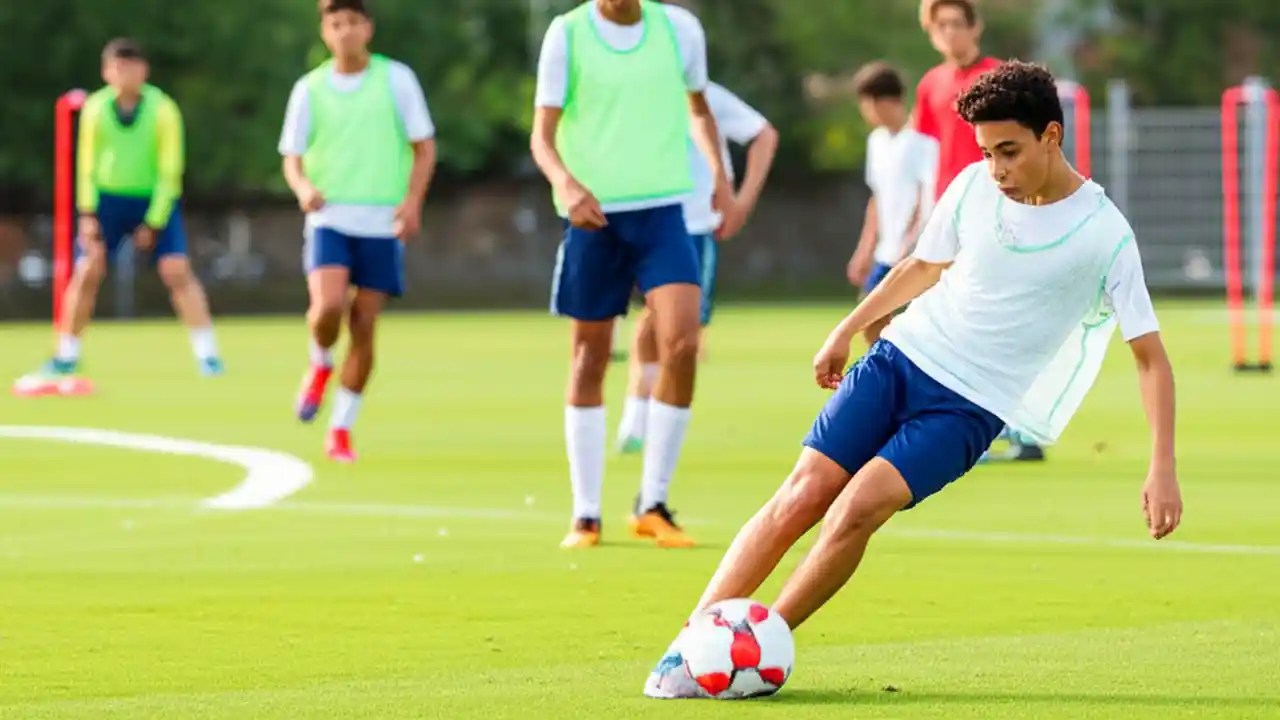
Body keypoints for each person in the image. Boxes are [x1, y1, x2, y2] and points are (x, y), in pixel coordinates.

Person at [644, 61, 1183, 699]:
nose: (996, 170)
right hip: (901, 358)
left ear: (1052, 136)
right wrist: (847, 328)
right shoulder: (974, 187)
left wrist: (1162, 465)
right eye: (986, 153)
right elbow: (922, 266)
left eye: (1009, 151)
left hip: (970, 408)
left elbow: (1150, 357)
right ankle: (691, 644)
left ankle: (755, 649)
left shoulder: (1106, 235)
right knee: (804, 491)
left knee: (856, 509)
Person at [531, 0, 735, 549]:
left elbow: (698, 108)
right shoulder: (567, 35)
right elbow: (542, 137)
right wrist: (568, 186)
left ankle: (653, 503)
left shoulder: (679, 30)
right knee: (589, 357)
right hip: (592, 218)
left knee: (682, 343)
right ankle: (586, 514)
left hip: (665, 214)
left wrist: (718, 173)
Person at [279, 0, 437, 462]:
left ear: (367, 28)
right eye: (335, 23)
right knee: (327, 309)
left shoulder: (396, 79)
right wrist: (303, 186)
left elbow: (424, 147)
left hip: (381, 222)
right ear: (324, 32)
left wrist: (411, 202)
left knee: (364, 324)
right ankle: (320, 362)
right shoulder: (310, 89)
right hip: (331, 217)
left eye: (352, 22)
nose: (345, 31)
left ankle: (341, 427)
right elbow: (292, 155)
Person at [26, 38, 222, 389]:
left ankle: (207, 354)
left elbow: (170, 169)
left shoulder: (163, 109)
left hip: (152, 200)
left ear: (144, 70)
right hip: (107, 202)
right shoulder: (97, 108)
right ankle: (66, 354)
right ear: (106, 71)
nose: (124, 73)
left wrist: (154, 220)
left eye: (131, 66)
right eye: (117, 66)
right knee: (88, 270)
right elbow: (86, 164)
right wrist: (87, 213)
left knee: (176, 270)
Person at [615, 80, 779, 455]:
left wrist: (742, 201)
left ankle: (651, 418)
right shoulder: (635, 91)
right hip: (648, 222)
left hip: (694, 228)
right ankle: (639, 416)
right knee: (652, 321)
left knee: (680, 333)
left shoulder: (706, 95)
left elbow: (764, 135)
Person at [916, 0, 1042, 462]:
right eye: (940, 25)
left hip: (1002, 209)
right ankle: (983, 421)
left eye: (957, 24)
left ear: (976, 27)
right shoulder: (930, 84)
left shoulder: (1001, 79)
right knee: (962, 319)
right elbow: (926, 154)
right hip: (953, 216)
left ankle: (1022, 426)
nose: (950, 33)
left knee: (1006, 316)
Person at [845, 61, 937, 345]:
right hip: (887, 253)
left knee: (919, 330)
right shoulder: (877, 141)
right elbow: (877, 199)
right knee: (871, 322)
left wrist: (909, 244)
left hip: (917, 253)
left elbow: (926, 198)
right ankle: (892, 382)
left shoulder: (922, 141)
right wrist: (865, 250)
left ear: (881, 101)